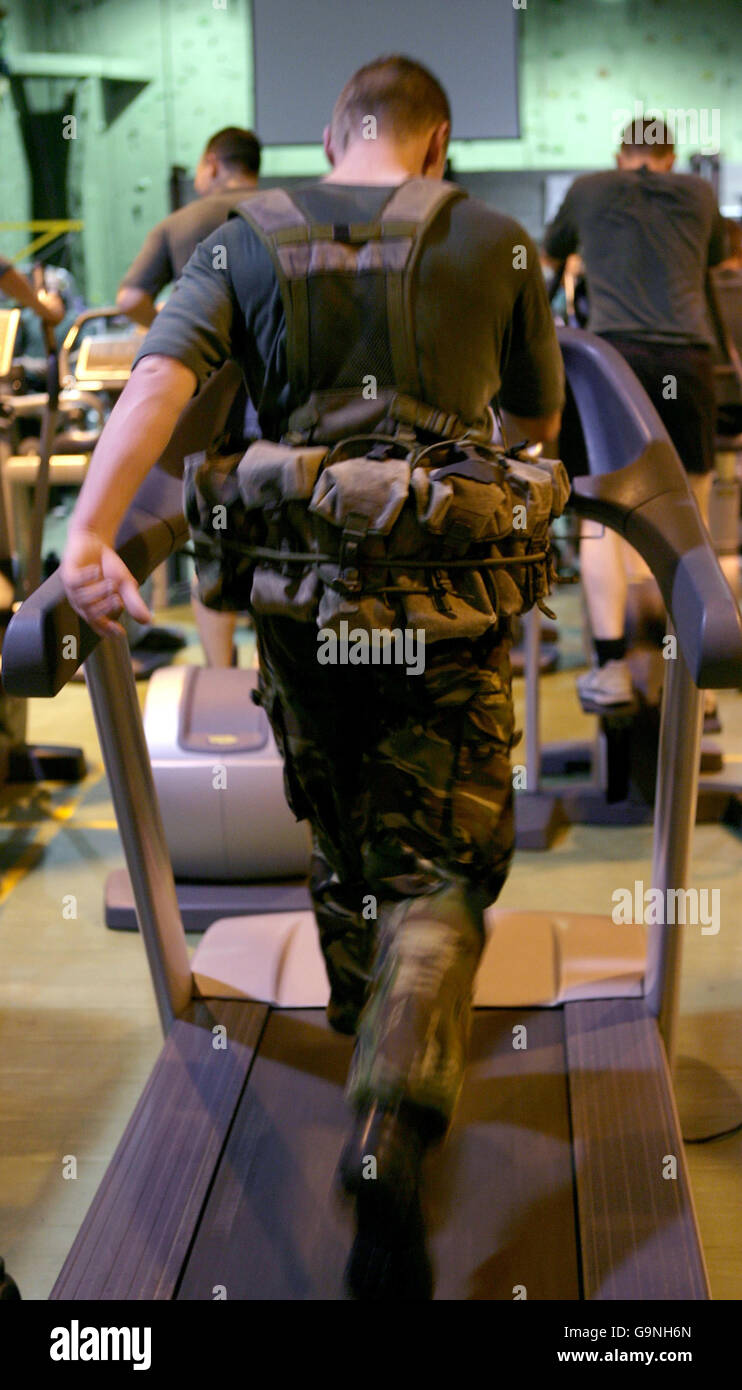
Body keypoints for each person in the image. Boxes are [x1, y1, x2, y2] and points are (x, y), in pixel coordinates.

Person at [60, 54, 564, 1298]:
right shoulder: (496, 239)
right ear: (435, 140)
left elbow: (160, 383)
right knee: (442, 863)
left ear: (334, 135)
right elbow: (535, 423)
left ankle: (364, 1044)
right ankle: (396, 1111)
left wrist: (87, 534)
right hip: (444, 614)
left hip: (299, 608)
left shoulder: (240, 238)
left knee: (338, 829)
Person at [544, 117, 727, 706]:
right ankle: (689, 679)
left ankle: (611, 668)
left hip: (612, 365)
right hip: (687, 363)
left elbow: (549, 263)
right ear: (668, 155)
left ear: (622, 153)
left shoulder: (588, 188)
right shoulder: (700, 194)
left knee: (604, 516)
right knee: (688, 520)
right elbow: (716, 265)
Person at [117, 126, 262, 667]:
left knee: (215, 544)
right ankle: (281, 684)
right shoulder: (287, 212)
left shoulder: (181, 223)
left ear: (210, 164)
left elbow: (129, 297)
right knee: (285, 550)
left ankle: (223, 676)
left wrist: (175, 333)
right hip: (286, 411)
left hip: (208, 412)